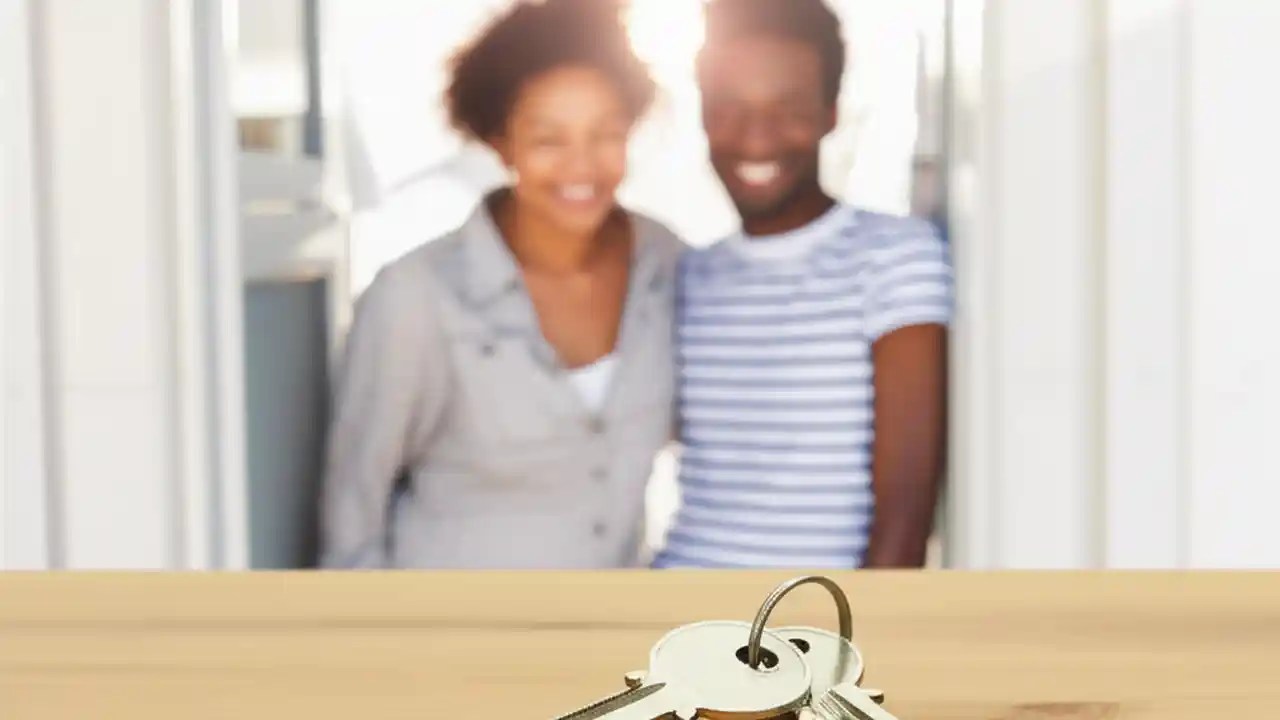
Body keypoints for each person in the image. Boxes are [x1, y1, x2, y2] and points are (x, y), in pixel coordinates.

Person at [319, 0, 684, 569]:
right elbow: (353, 505)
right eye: (548, 140)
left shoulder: (669, 265)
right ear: (499, 141)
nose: (581, 166)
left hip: (610, 635)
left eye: (604, 134)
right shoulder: (415, 296)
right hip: (455, 637)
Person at [653, 0, 953, 568]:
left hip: (809, 630)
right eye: (729, 108)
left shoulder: (893, 256)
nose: (756, 138)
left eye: (786, 108)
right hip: (677, 609)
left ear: (829, 113)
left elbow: (905, 520)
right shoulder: (691, 273)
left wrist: (847, 649)